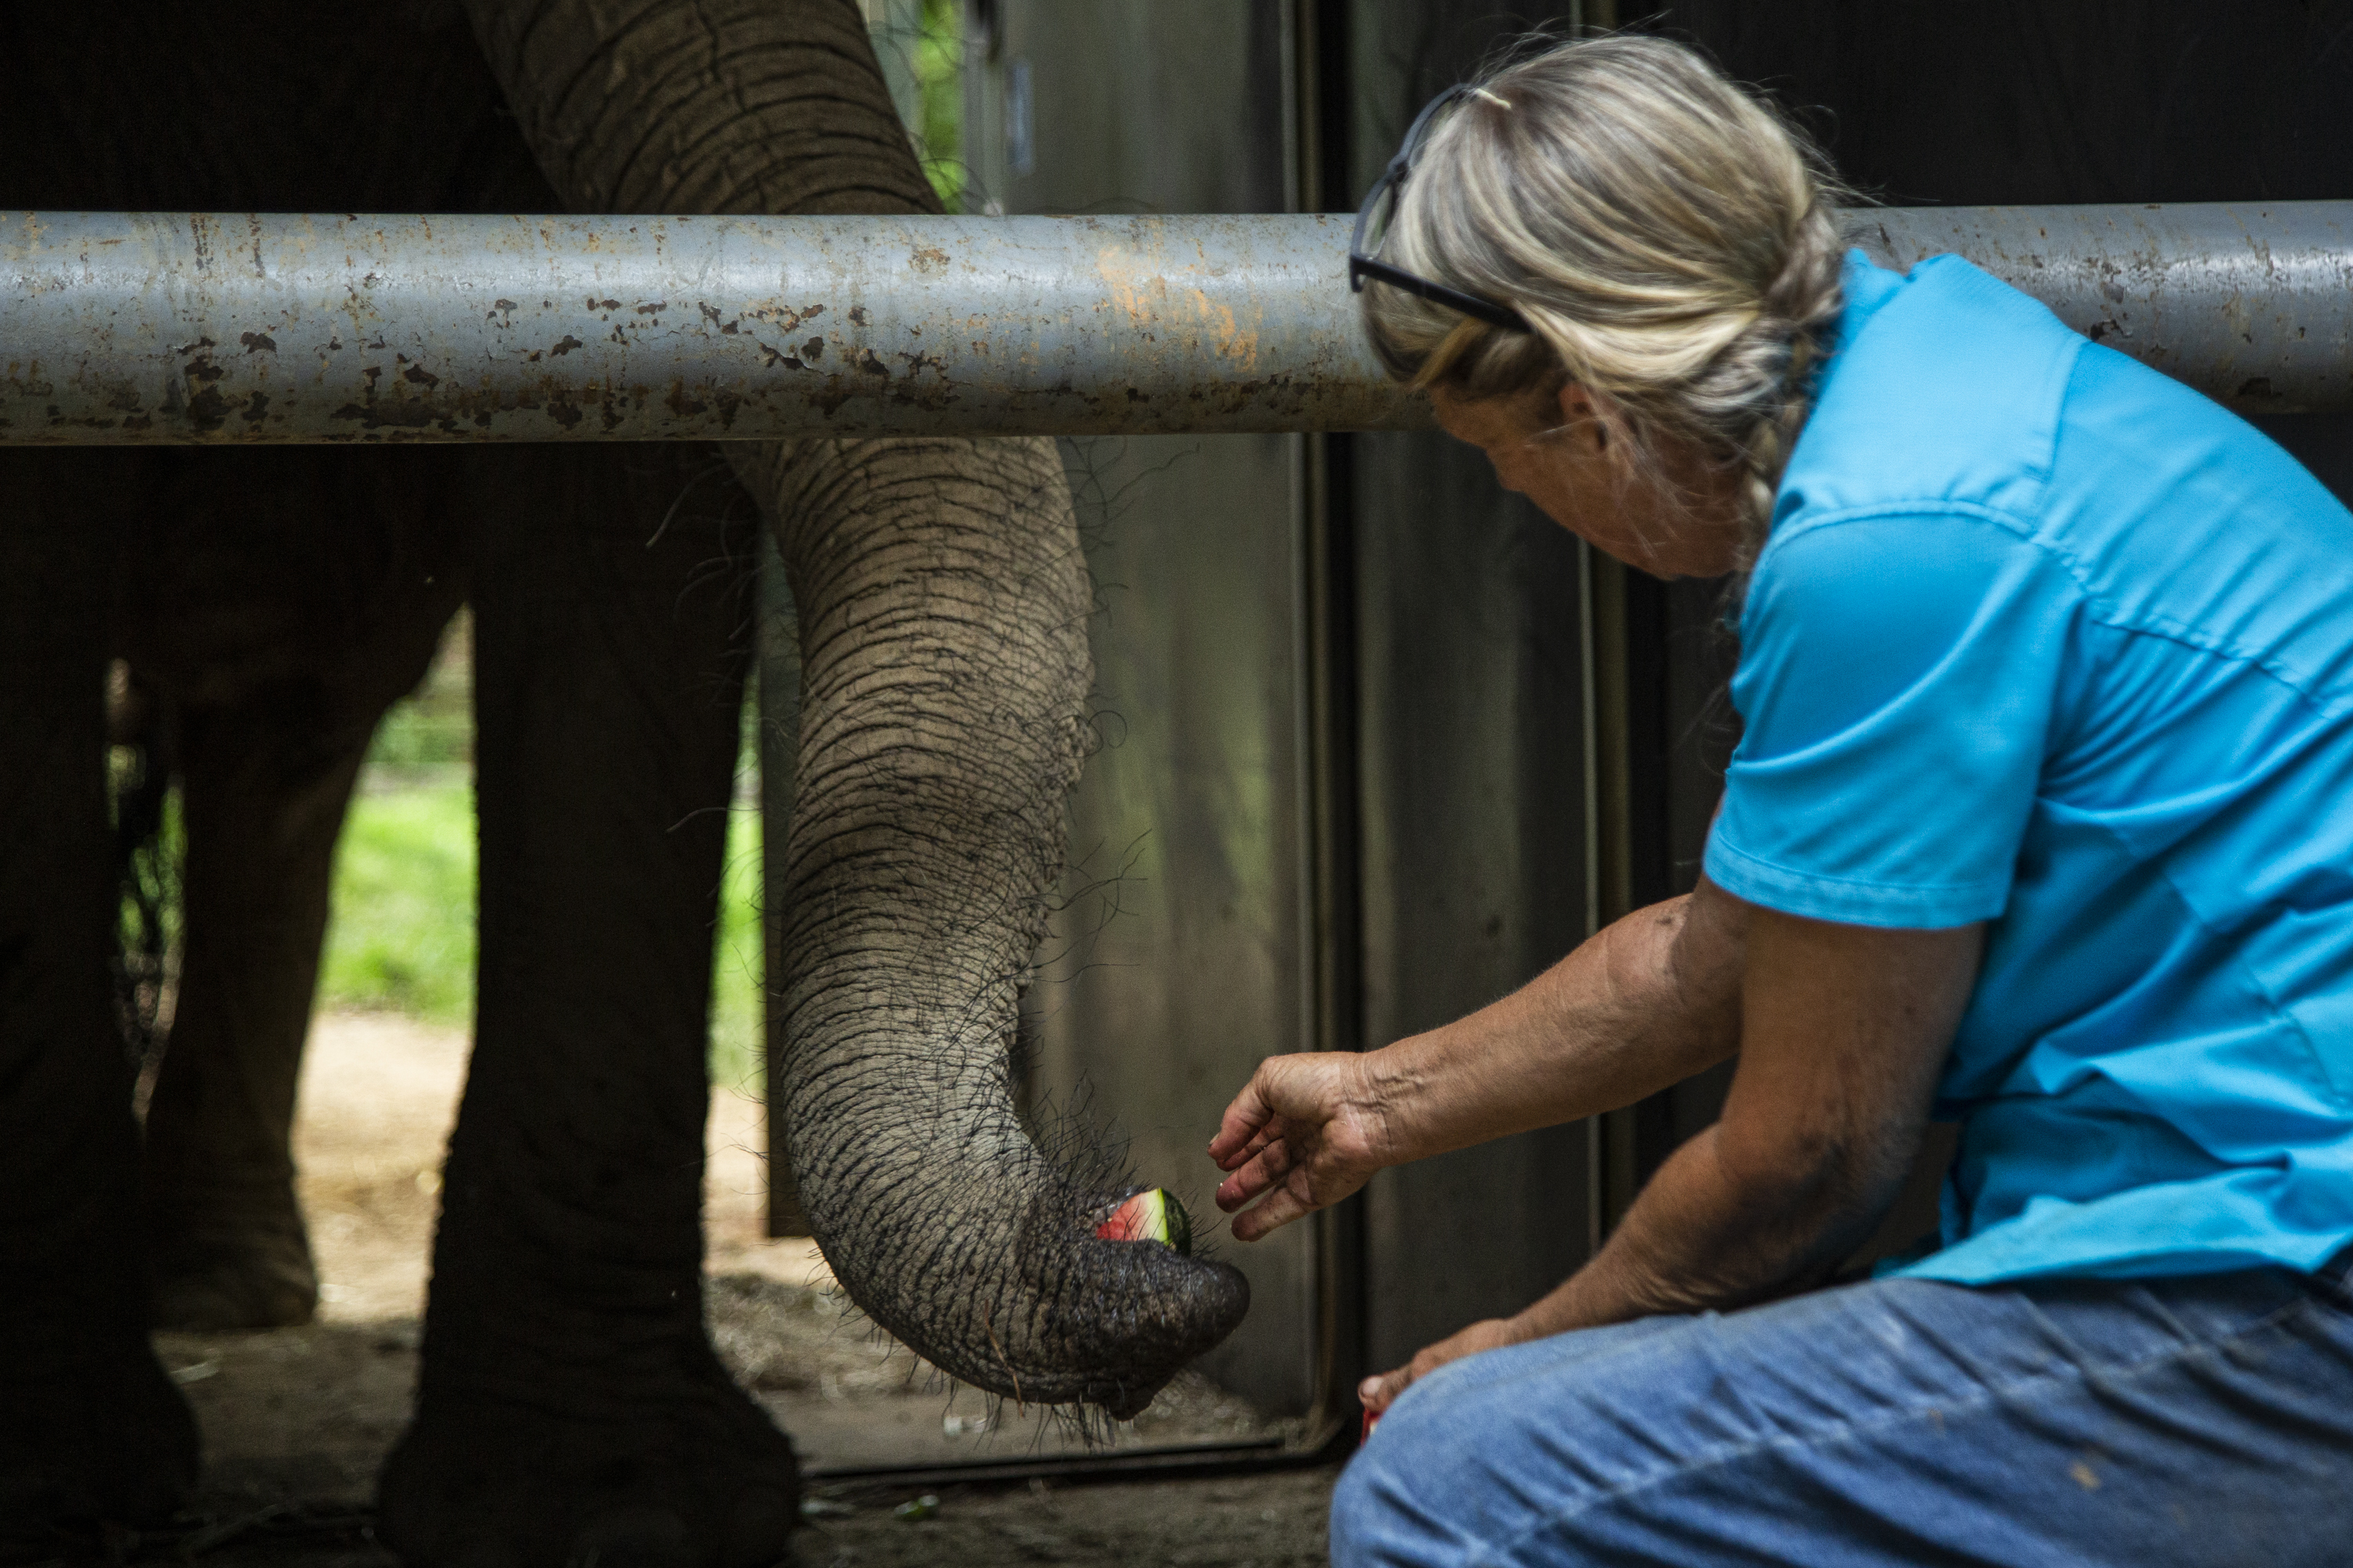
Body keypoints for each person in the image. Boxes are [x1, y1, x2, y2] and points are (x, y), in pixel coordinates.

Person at [1206, 35, 2353, 1567]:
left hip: (2287, 1272)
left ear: (1585, 412)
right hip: (2234, 1229)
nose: (1511, 498)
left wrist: (1512, 1356)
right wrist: (1376, 1100)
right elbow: (1718, 953)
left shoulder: (1894, 541)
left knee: (1450, 1485)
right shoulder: (1929, 377)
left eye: (1491, 454)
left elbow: (1808, 1163)